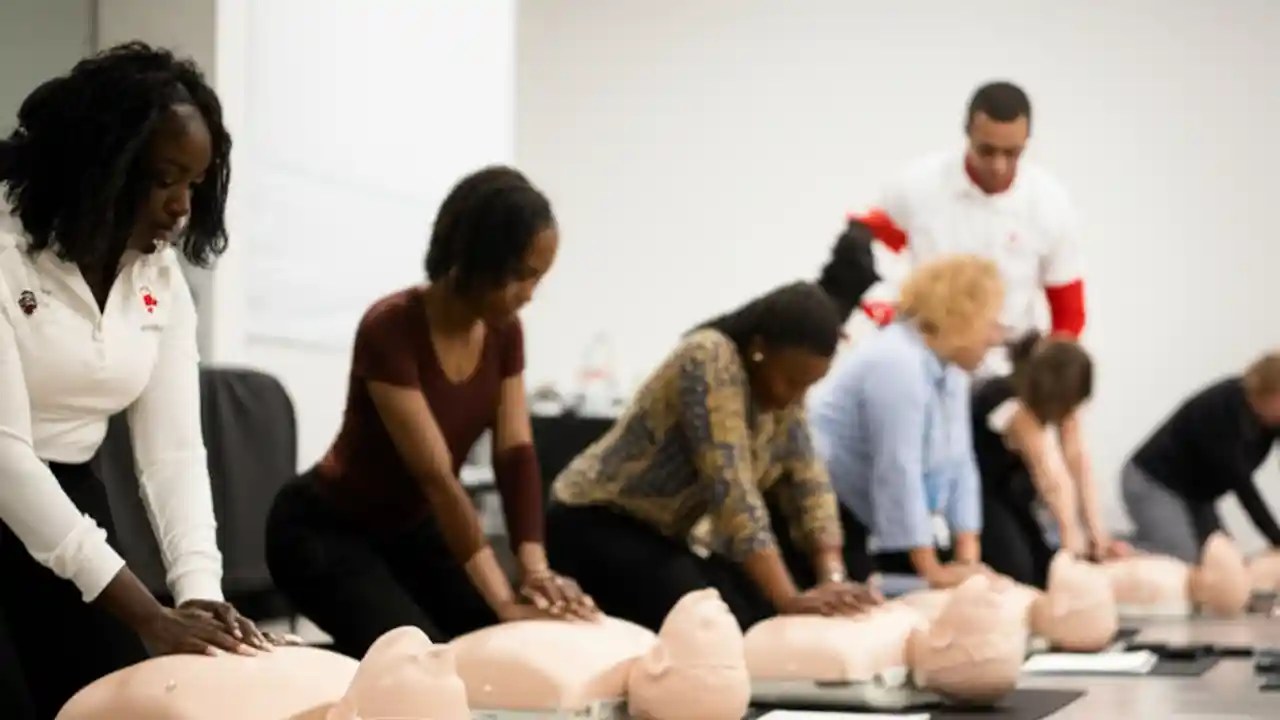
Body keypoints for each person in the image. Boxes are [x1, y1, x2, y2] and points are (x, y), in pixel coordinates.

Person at [0, 43, 278, 719]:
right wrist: (145, 613)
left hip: (69, 493)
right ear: (100, 166)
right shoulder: (5, 251)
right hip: (12, 476)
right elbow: (5, 458)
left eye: (196, 183)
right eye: (163, 180)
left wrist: (197, 593)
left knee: (113, 699)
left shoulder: (158, 277)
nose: (182, 207)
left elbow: (174, 453)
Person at [265, 166, 594, 659]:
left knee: (495, 647)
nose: (529, 296)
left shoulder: (504, 333)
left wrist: (535, 571)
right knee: (423, 661)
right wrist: (504, 598)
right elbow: (437, 478)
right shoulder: (391, 327)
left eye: (538, 280)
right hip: (326, 529)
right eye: (522, 277)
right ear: (477, 259)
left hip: (411, 531)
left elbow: (516, 453)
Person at [546, 282, 880, 632]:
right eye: (791, 381)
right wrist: (789, 599)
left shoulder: (784, 398)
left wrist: (832, 576)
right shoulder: (708, 358)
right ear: (759, 350)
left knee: (750, 609)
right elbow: (732, 490)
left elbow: (809, 481)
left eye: (808, 386)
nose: (794, 397)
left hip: (661, 536)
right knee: (716, 623)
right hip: (593, 522)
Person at [849, 81, 1086, 370]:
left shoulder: (1051, 204)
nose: (999, 165)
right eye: (987, 150)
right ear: (967, 134)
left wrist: (1050, 382)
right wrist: (884, 305)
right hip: (921, 354)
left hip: (1004, 366)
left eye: (1012, 153)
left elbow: (1068, 311)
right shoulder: (917, 184)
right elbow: (861, 248)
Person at [807, 255, 1003, 589]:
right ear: (960, 316)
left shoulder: (950, 368)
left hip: (876, 512)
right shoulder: (896, 362)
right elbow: (898, 470)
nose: (996, 336)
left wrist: (968, 559)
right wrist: (934, 573)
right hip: (831, 513)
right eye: (991, 322)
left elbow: (960, 464)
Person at [970, 333, 1129, 588]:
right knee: (1019, 573)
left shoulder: (1060, 405)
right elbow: (1050, 474)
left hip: (1013, 493)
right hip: (980, 492)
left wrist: (1099, 535)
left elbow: (1078, 462)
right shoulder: (1005, 400)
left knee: (1043, 570)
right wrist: (1071, 541)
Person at [1121, 353, 1280, 563]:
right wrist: (1276, 539)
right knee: (1183, 558)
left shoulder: (1270, 420)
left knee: (1224, 562)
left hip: (1196, 497)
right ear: (1269, 394)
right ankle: (1106, 548)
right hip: (1153, 482)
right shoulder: (1225, 409)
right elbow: (1242, 486)